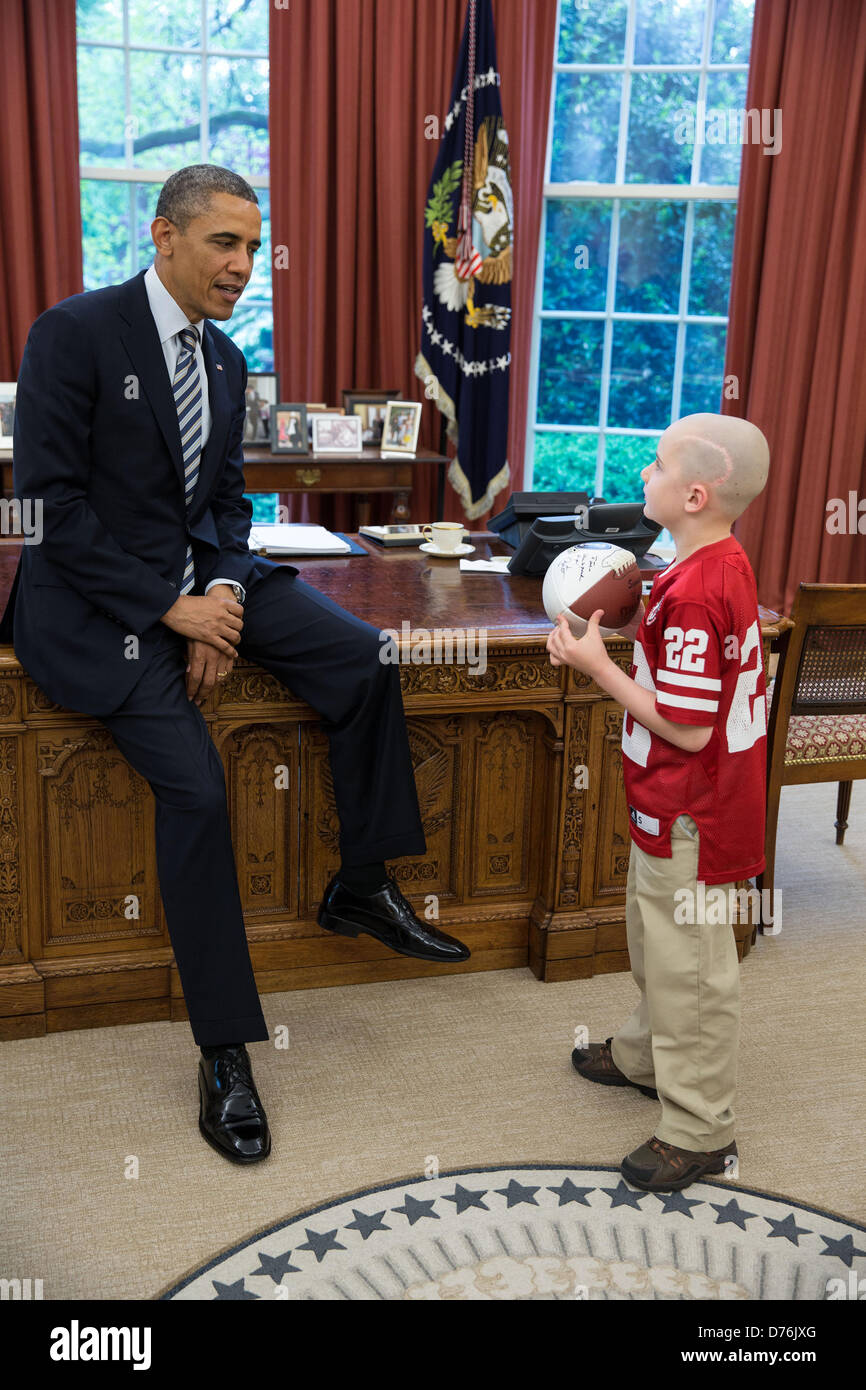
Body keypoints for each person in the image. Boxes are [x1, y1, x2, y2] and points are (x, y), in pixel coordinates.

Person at [0, 163, 469, 1166]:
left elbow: (223, 505)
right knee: (200, 793)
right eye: (224, 243)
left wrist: (219, 597)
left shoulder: (224, 358)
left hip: (199, 584)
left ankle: (362, 881)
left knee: (364, 657)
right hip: (94, 609)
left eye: (252, 247)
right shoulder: (71, 334)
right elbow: (38, 511)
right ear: (165, 238)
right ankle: (224, 1052)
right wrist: (168, 610)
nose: (242, 266)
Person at [547, 413, 770, 1193]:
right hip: (672, 807)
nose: (644, 474)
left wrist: (594, 665)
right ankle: (646, 1057)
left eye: (657, 464)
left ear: (697, 492)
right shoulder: (706, 563)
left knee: (695, 972)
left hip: (695, 817)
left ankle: (702, 1130)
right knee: (655, 945)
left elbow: (684, 719)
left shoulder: (703, 586)